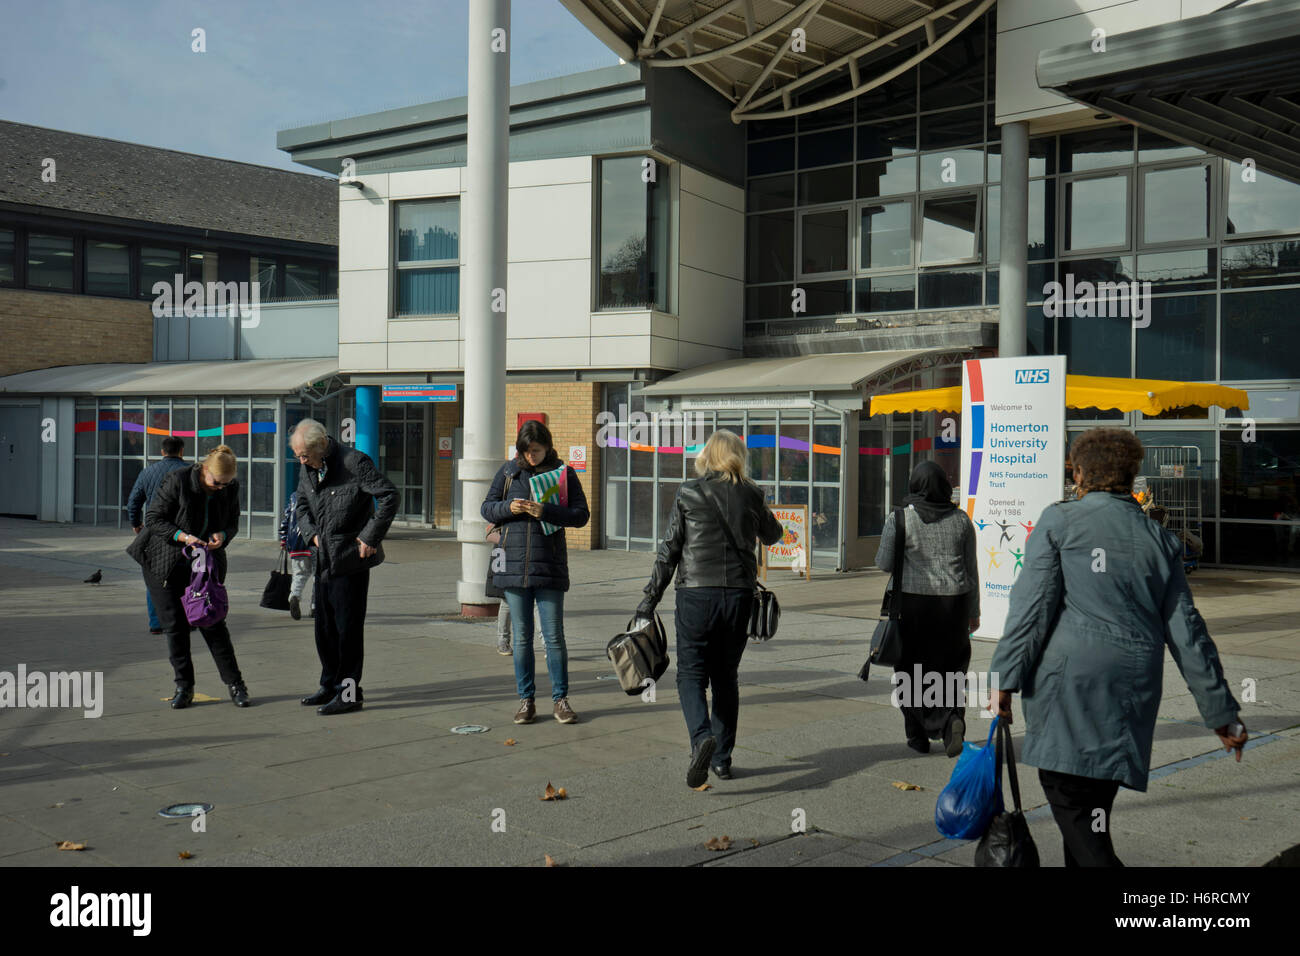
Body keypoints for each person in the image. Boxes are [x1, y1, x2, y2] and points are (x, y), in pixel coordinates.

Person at [990, 428, 1247, 867]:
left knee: (1072, 803)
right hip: (1131, 688)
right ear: (1131, 475)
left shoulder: (1059, 521)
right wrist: (1221, 712)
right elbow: (1188, 632)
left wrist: (1004, 680)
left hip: (1068, 686)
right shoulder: (1160, 540)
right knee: (1092, 810)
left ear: (1081, 472)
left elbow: (1031, 609)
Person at [636, 429, 783, 787]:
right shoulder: (752, 493)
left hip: (696, 595)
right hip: (737, 597)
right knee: (726, 677)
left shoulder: (689, 491)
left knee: (690, 674)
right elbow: (774, 535)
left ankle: (702, 738)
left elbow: (669, 550)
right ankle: (722, 761)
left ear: (708, 456)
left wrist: (649, 600)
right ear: (737, 456)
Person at [481, 420, 589, 726]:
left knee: (553, 637)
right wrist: (509, 509)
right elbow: (487, 508)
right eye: (526, 452)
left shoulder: (563, 473)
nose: (531, 457)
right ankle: (525, 700)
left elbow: (581, 515)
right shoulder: (507, 472)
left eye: (537, 451)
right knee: (523, 638)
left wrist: (546, 511)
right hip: (513, 565)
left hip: (549, 564)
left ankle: (561, 700)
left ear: (547, 447)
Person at [127, 444, 249, 709]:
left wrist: (223, 535)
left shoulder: (230, 487)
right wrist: (183, 537)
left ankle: (236, 684)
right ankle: (184, 687)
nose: (220, 488)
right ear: (205, 470)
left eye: (225, 484)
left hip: (204, 564)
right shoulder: (178, 480)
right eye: (216, 483)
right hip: (165, 562)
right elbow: (155, 518)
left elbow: (233, 522)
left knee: (213, 623)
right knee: (175, 627)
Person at [291, 419, 398, 716]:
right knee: (324, 628)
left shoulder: (354, 462)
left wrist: (369, 535)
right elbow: (300, 503)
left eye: (305, 455)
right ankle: (329, 683)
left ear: (321, 445)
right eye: (298, 455)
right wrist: (310, 531)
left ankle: (350, 693)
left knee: (347, 631)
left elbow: (388, 496)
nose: (302, 461)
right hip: (323, 558)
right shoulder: (308, 466)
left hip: (350, 558)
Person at [874, 461, 979, 758]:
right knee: (950, 669)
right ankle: (950, 723)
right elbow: (972, 569)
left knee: (910, 670)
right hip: (954, 605)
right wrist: (974, 611)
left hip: (913, 605)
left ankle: (917, 735)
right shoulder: (961, 520)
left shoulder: (900, 519)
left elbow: (882, 563)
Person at [125, 436, 188, 635]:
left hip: (154, 533)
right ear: (181, 451)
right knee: (185, 579)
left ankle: (157, 623)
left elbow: (133, 502)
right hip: (183, 533)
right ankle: (184, 620)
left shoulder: (147, 472)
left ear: (162, 452)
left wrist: (136, 524)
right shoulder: (190, 472)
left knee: (155, 578)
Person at [278, 490, 314, 620]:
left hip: (296, 543)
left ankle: (294, 595)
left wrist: (283, 538)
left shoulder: (294, 496)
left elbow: (287, 518)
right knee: (318, 576)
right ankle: (315, 606)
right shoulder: (319, 493)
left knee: (299, 574)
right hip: (313, 541)